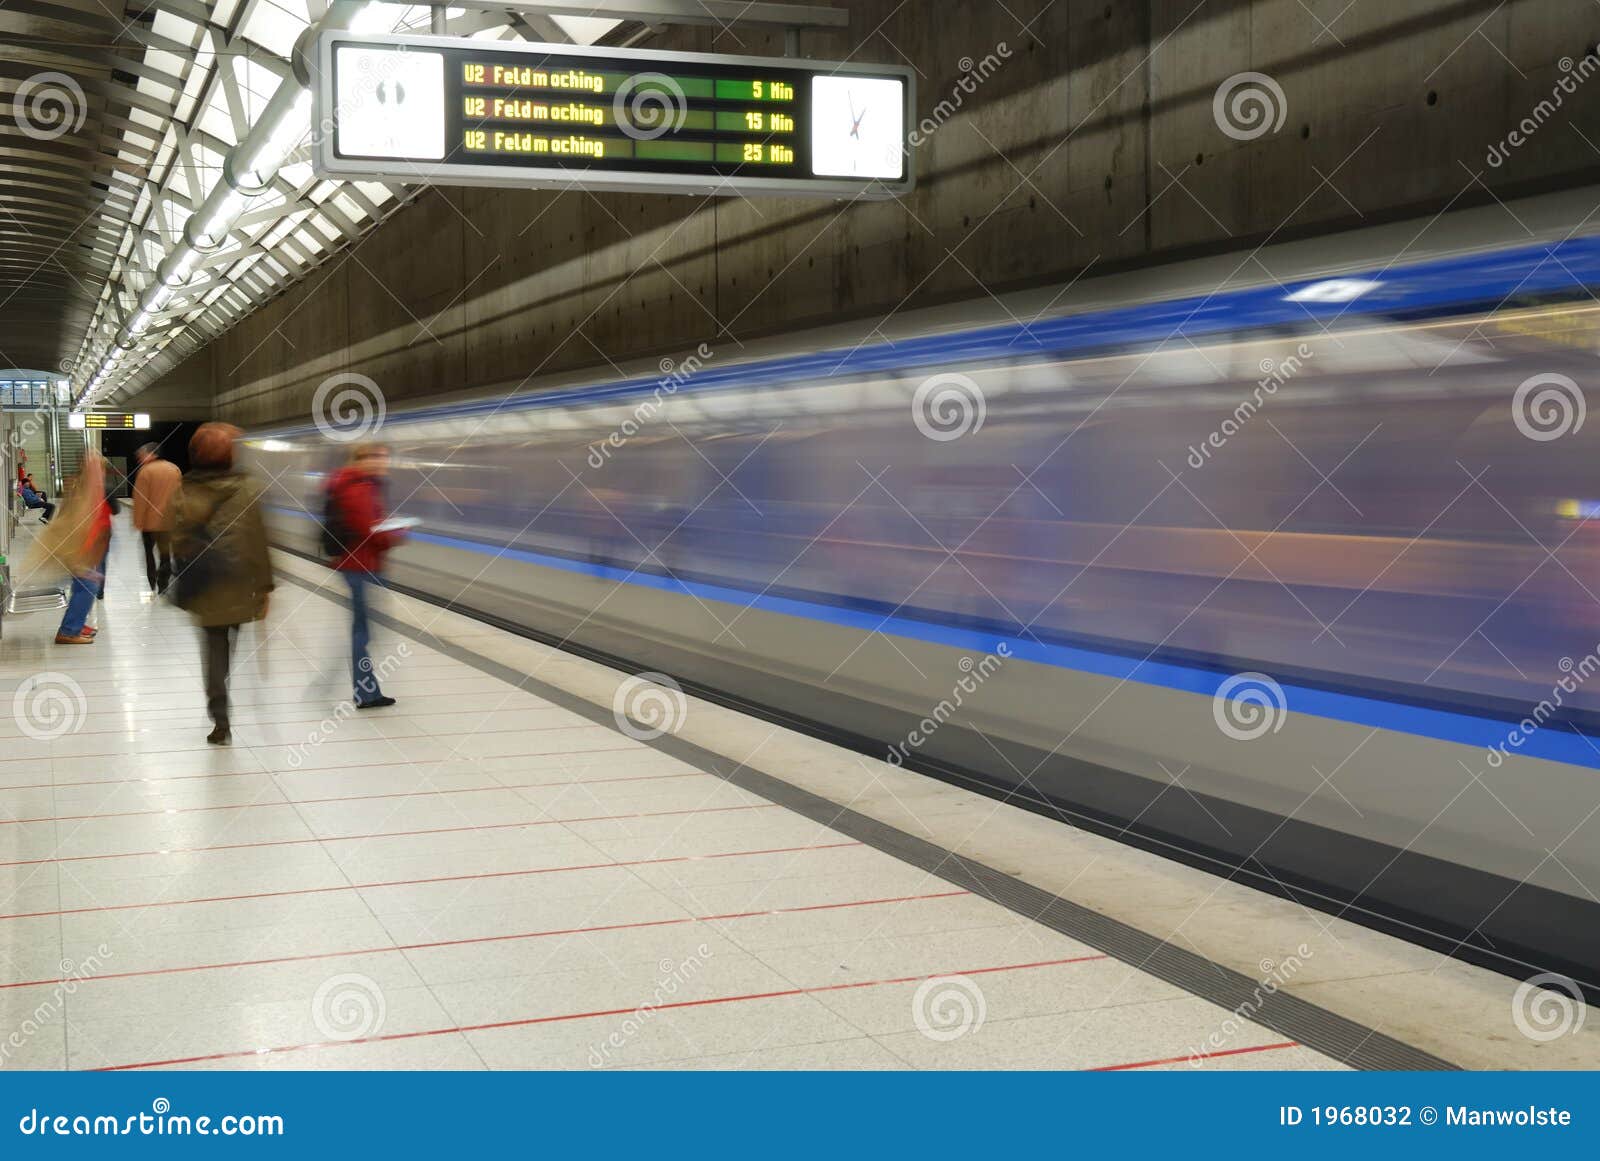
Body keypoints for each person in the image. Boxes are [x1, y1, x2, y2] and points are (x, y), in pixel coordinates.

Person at [171, 423, 274, 745]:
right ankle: (224, 707)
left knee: (215, 651)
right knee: (227, 643)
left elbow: (174, 538)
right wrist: (266, 586)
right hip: (240, 582)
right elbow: (258, 541)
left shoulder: (184, 489)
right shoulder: (249, 488)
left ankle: (221, 720)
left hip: (205, 585)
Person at [325, 443, 404, 709]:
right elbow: (371, 530)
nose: (382, 462)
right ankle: (364, 692)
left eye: (384, 457)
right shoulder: (358, 488)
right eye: (376, 457)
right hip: (361, 566)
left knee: (364, 631)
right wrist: (396, 533)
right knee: (363, 633)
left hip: (360, 564)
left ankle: (365, 690)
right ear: (361, 459)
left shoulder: (359, 484)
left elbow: (370, 523)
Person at [24, 453, 112, 645]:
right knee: (88, 585)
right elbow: (76, 521)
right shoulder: (83, 489)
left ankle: (75, 625)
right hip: (80, 549)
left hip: (84, 547)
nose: (102, 472)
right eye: (98, 468)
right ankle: (69, 630)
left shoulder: (84, 487)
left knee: (84, 586)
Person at [131, 442, 180, 594]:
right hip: (169, 521)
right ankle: (163, 584)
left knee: (149, 553)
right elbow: (180, 496)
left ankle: (152, 580)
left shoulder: (145, 471)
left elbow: (140, 499)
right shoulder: (174, 469)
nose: (140, 459)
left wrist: (138, 522)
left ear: (151, 454)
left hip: (149, 523)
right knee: (165, 554)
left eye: (142, 455)